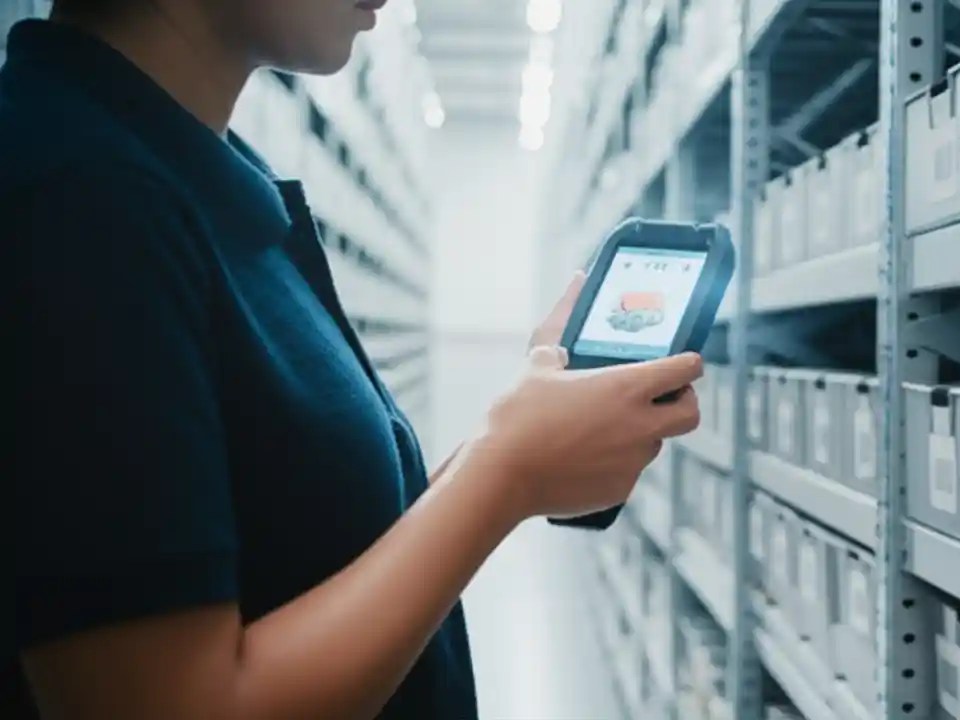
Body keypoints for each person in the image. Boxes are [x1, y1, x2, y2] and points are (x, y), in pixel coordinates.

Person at [4, 1, 703, 717]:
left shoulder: (198, 169)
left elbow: (307, 546)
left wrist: (522, 440)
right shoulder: (76, 198)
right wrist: (507, 474)